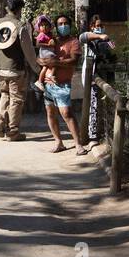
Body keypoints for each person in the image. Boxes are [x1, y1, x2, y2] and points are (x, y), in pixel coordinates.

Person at [37, 14, 94, 155]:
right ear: (55, 27)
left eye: (65, 23)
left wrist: (55, 63)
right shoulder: (51, 40)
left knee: (66, 113)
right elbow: (40, 56)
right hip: (48, 83)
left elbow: (74, 60)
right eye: (60, 24)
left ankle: (78, 144)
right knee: (50, 112)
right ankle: (58, 142)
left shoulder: (74, 42)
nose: (63, 26)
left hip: (63, 84)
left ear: (70, 25)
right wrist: (42, 62)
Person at [0, 0, 40, 141]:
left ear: (6, 9)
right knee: (16, 99)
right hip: (15, 68)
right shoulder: (20, 26)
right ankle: (13, 131)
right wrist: (36, 68)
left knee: (4, 94)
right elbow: (28, 51)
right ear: (19, 10)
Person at [77, 14, 113, 144]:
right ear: (92, 27)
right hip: (91, 77)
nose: (100, 28)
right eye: (97, 26)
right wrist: (99, 36)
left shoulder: (107, 39)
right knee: (93, 105)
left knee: (103, 105)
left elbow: (113, 52)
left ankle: (102, 131)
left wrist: (107, 42)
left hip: (104, 77)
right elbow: (82, 37)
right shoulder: (89, 38)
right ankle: (92, 136)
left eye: (101, 26)